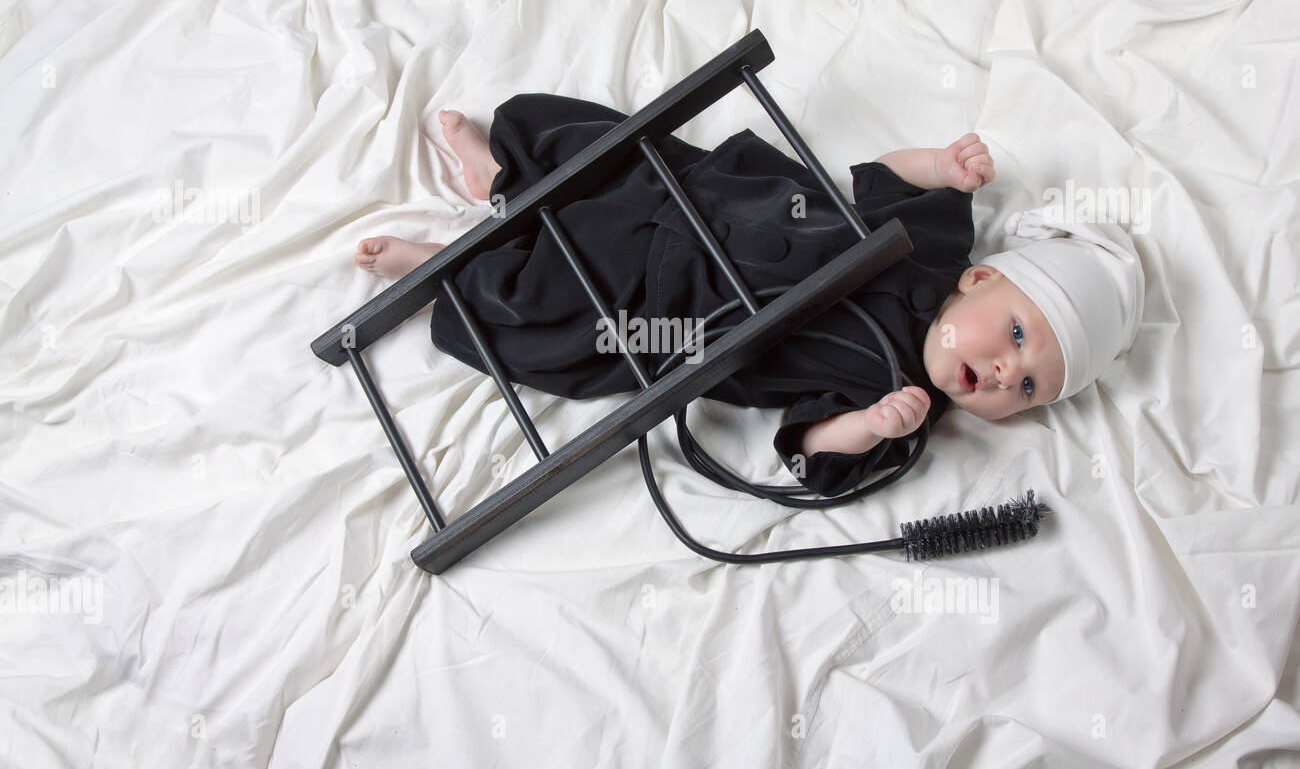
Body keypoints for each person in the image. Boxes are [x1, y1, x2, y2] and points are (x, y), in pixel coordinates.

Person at [353, 94, 1143, 496]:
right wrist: (941, 167)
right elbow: (886, 178)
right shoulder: (936, 248)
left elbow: (811, 448)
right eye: (1014, 335)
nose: (1007, 373)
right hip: (707, 200)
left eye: (1030, 387)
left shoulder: (900, 401)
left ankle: (439, 272)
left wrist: (866, 426)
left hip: (671, 313)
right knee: (596, 152)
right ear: (978, 280)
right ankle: (497, 177)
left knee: (551, 310)